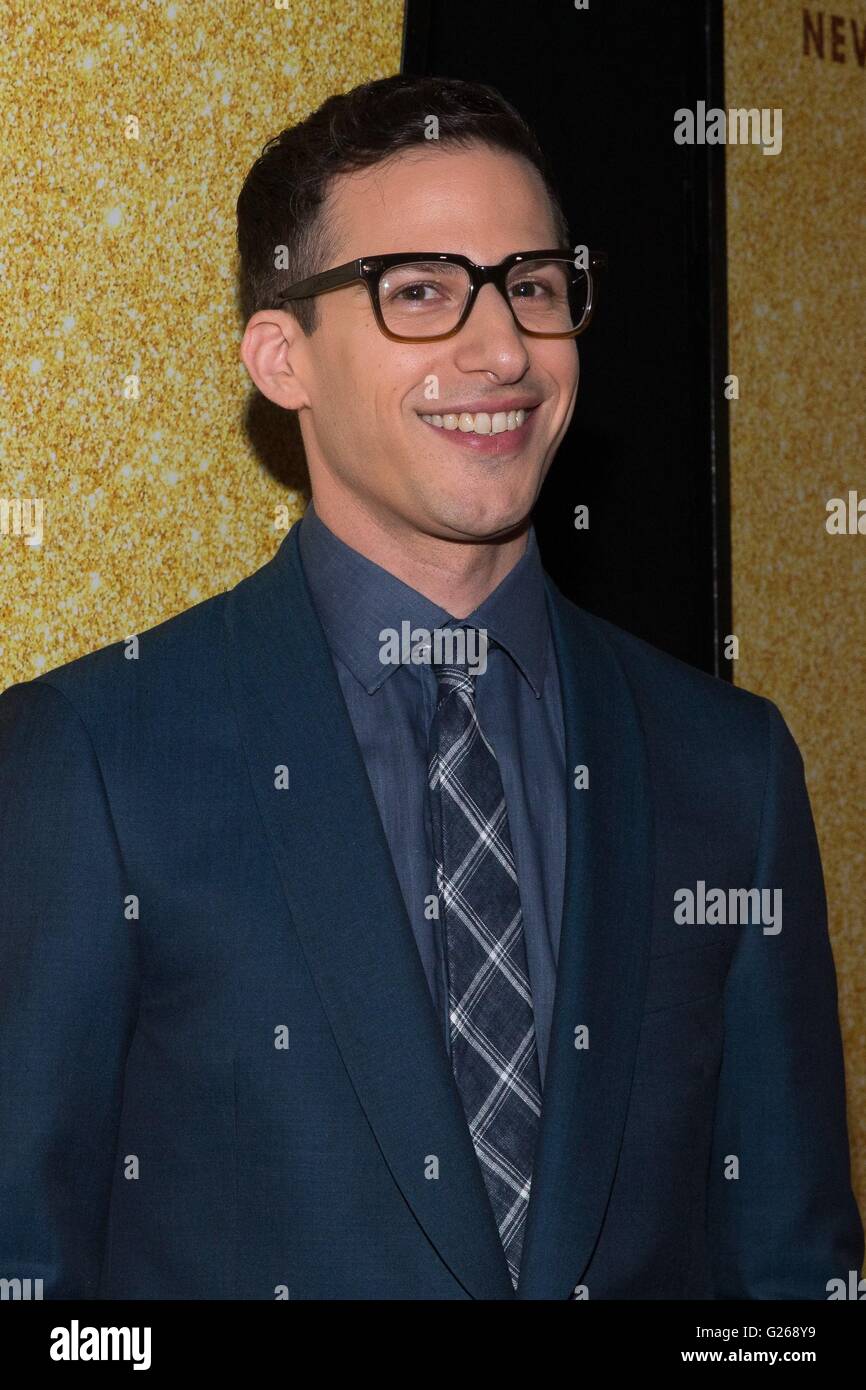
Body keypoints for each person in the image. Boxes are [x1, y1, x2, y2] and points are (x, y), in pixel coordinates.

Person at [0, 73, 861, 1300]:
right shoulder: (93, 754)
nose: (501, 346)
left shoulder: (726, 765)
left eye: (532, 285)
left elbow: (785, 1274)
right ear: (280, 356)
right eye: (418, 292)